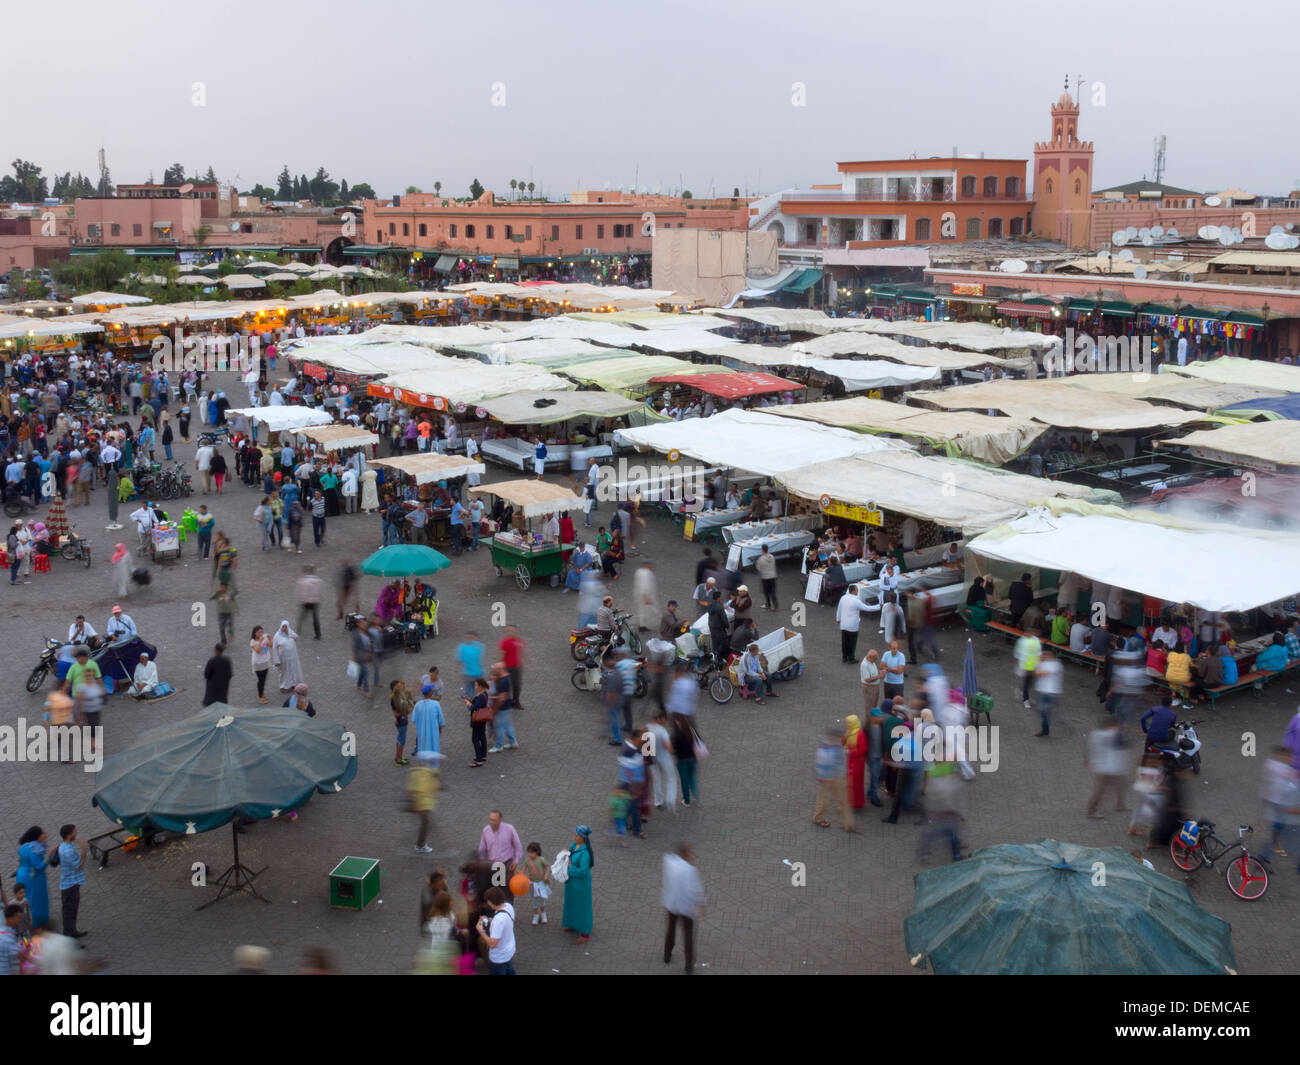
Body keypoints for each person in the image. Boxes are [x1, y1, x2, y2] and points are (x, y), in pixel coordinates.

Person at [661, 843, 704, 974]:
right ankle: (689, 965)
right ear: (685, 854)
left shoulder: (669, 861)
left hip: (671, 903)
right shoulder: (689, 870)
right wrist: (701, 903)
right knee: (688, 935)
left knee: (670, 930)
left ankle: (667, 955)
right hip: (685, 907)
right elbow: (695, 889)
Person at [814, 727, 855, 831]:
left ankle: (849, 825)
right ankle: (818, 818)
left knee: (843, 801)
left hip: (837, 778)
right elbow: (822, 764)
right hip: (827, 779)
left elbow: (842, 763)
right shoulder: (826, 748)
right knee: (825, 801)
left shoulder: (837, 747)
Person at [1086, 721, 1130, 819]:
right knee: (1099, 790)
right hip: (1106, 768)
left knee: (1121, 785)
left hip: (1111, 767)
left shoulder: (1095, 734)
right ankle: (1091, 811)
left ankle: (1120, 805)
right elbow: (1120, 738)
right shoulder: (1105, 735)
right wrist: (1121, 730)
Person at [560, 826, 594, 942]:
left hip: (581, 885)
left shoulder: (585, 854)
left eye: (577, 835)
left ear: (582, 838)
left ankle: (585, 934)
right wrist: (566, 853)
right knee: (572, 904)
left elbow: (584, 872)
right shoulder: (574, 845)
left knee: (582, 907)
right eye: (574, 834)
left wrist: (570, 866)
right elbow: (570, 854)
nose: (574, 837)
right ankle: (572, 924)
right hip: (571, 882)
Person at [56, 825, 87, 940]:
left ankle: (72, 931)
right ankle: (69, 937)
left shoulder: (63, 846)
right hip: (71, 884)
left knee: (70, 911)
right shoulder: (68, 851)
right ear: (69, 835)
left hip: (68, 883)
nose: (76, 833)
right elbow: (80, 865)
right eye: (74, 832)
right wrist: (84, 850)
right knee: (70, 912)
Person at [16, 827, 50, 929]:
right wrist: (48, 856)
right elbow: (39, 867)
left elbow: (20, 860)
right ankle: (36, 921)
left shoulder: (26, 846)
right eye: (43, 833)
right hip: (33, 878)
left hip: (23, 875)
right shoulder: (34, 849)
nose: (45, 835)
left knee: (28, 897)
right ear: (37, 836)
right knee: (35, 898)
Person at [478, 886, 517, 975]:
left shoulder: (498, 920)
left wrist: (481, 931)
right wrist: (490, 920)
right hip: (509, 951)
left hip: (499, 958)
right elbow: (504, 924)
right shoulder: (508, 906)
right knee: (510, 970)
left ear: (491, 902)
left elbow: (492, 944)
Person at [836, 585, 870, 663]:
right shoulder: (856, 600)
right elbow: (867, 608)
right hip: (853, 626)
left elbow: (839, 609)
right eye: (857, 590)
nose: (858, 592)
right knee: (852, 643)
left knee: (844, 642)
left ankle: (844, 657)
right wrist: (879, 606)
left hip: (844, 625)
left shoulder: (843, 598)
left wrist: (838, 619)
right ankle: (851, 658)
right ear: (853, 591)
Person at [1033, 649, 1062, 737]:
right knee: (1042, 711)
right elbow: (1036, 673)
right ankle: (1045, 729)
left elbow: (1041, 674)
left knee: (1043, 710)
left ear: (1052, 656)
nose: (1045, 656)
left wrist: (1039, 662)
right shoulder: (1044, 663)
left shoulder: (1056, 665)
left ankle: (1045, 730)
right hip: (1043, 691)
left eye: (1047, 654)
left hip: (1050, 692)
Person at [1014, 628, 1042, 709]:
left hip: (1033, 667)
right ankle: (1026, 700)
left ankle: (1022, 691)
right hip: (1025, 667)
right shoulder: (1021, 641)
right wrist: (1019, 665)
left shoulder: (1036, 640)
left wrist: (1039, 664)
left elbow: (1039, 652)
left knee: (1030, 684)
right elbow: (1017, 654)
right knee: (1027, 683)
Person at [272, 621, 304, 692]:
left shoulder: (290, 632)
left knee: (292, 670)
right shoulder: (277, 636)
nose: (284, 628)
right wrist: (276, 661)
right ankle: (284, 686)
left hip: (292, 657)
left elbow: (296, 637)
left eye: (286, 627)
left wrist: (289, 634)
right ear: (280, 627)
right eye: (283, 627)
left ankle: (293, 684)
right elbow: (274, 649)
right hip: (284, 658)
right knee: (285, 672)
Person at [844, 714, 868, 809]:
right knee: (852, 782)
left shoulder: (860, 734)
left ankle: (856, 802)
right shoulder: (849, 732)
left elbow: (863, 749)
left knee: (856, 782)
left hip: (857, 762)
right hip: (851, 761)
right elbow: (844, 742)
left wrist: (850, 752)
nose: (847, 725)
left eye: (849, 723)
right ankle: (852, 800)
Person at [250, 626, 272, 704]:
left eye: (261, 632)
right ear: (254, 633)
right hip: (258, 663)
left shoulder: (264, 638)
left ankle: (262, 693)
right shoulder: (252, 641)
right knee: (261, 680)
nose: (261, 634)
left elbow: (271, 645)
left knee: (264, 679)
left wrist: (269, 638)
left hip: (265, 661)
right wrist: (260, 641)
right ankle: (260, 696)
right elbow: (258, 651)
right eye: (259, 632)